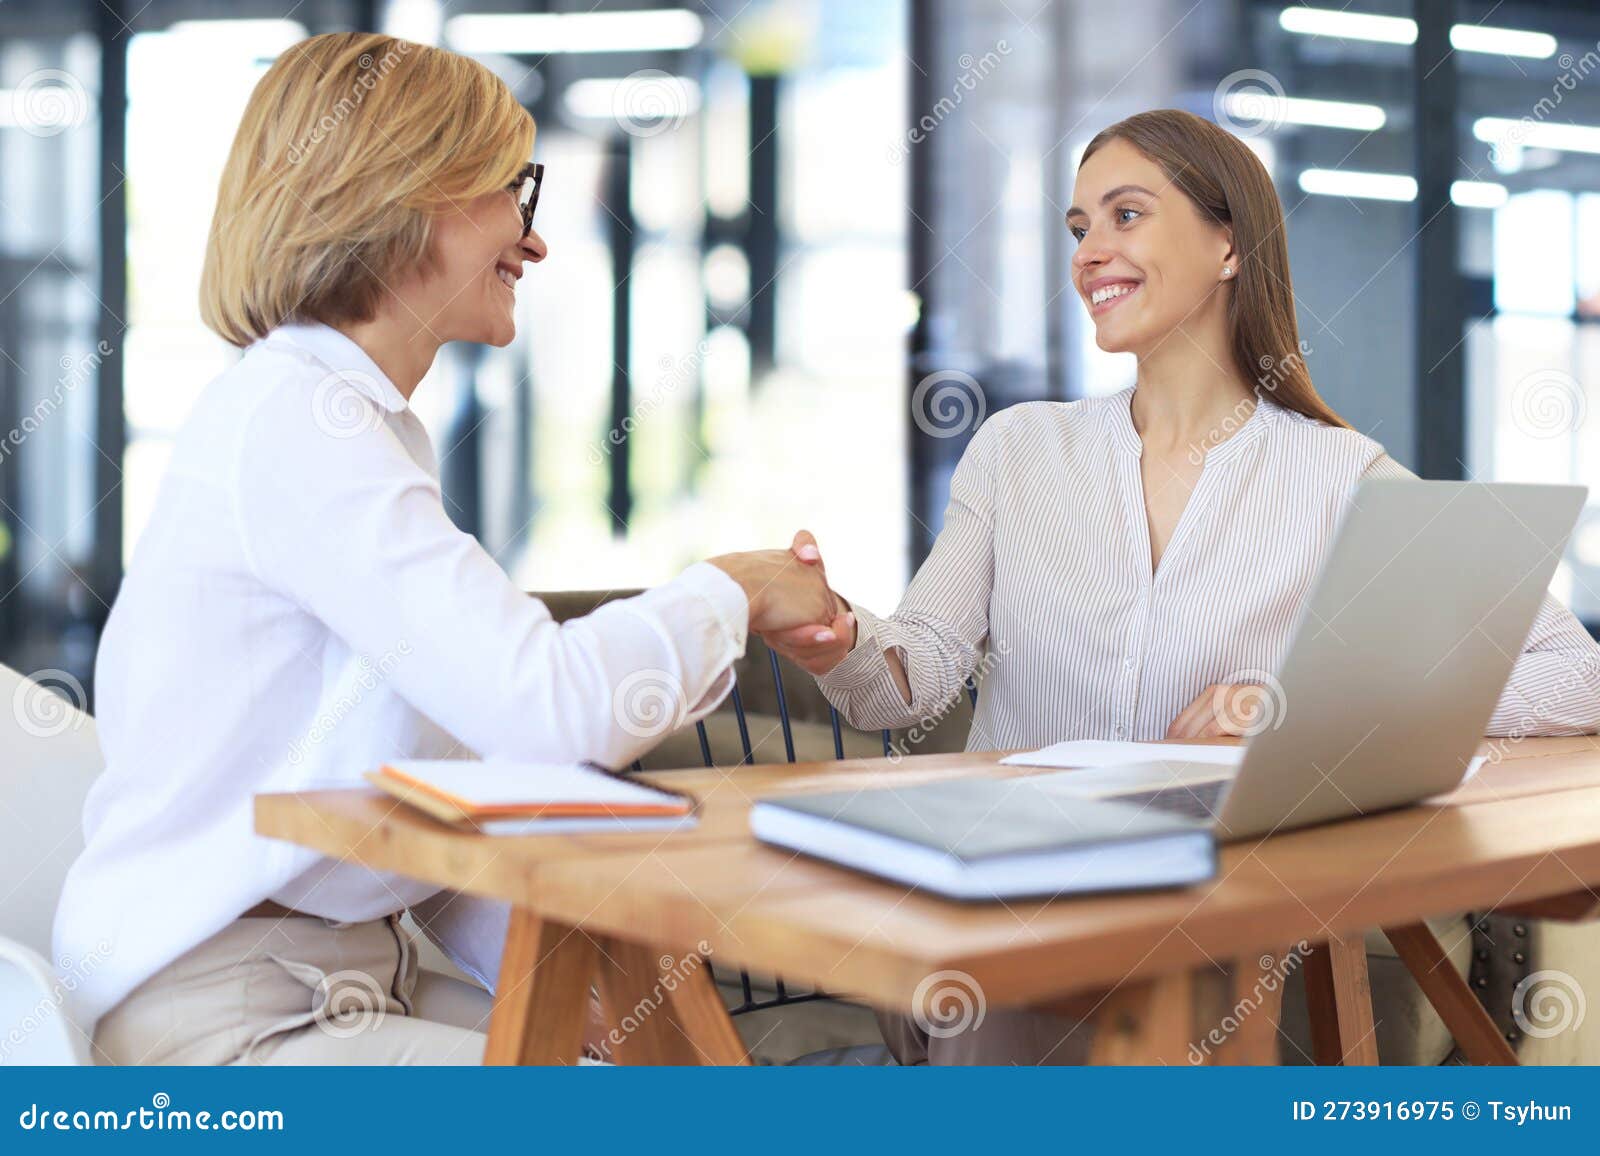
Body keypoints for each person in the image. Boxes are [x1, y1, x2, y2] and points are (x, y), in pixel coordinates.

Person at [55, 32, 838, 1066]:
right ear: (403, 193)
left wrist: (571, 985)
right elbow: (548, 709)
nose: (536, 238)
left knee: (665, 1071)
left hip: (342, 977)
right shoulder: (297, 420)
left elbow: (444, 790)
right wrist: (733, 589)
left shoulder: (351, 427)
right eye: (515, 189)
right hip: (228, 1019)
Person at [762, 108, 1600, 1065]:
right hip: (1012, 899)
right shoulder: (1020, 451)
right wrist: (835, 635)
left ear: (1228, 243)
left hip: (1218, 918)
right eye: (1079, 228)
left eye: (1126, 215)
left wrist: (1294, 708)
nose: (1090, 253)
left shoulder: (1338, 475)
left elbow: (1576, 677)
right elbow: (906, 683)